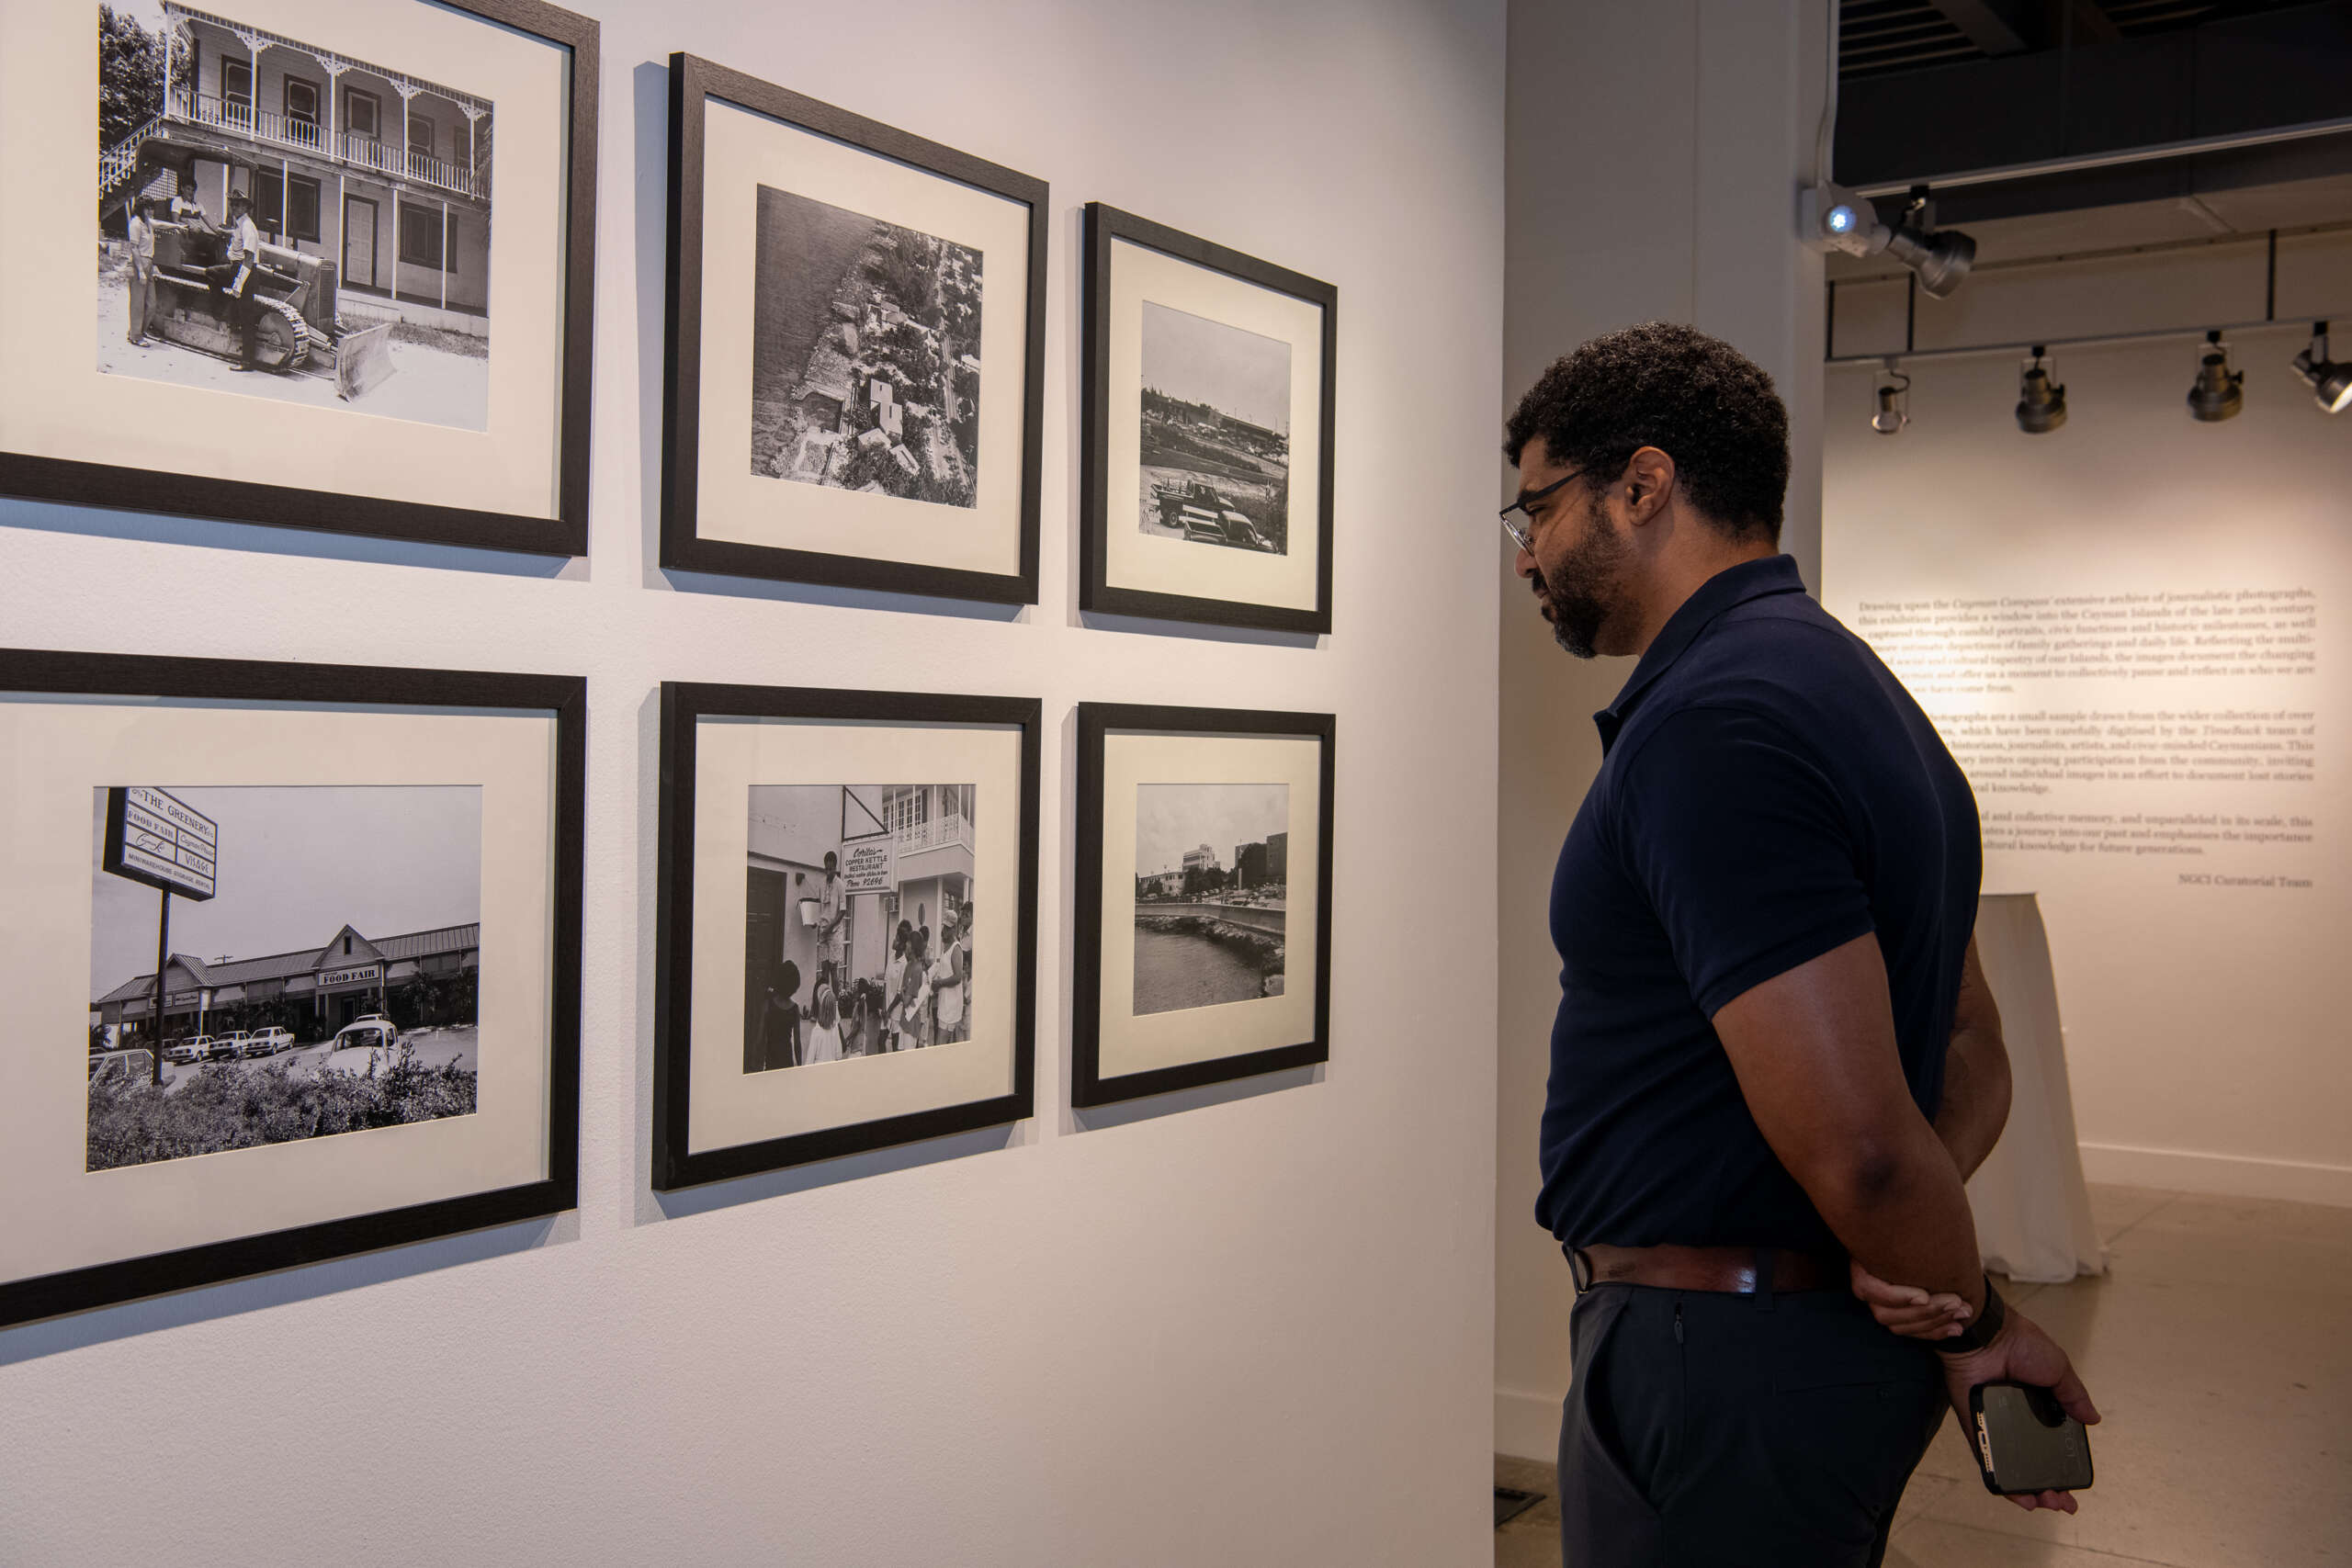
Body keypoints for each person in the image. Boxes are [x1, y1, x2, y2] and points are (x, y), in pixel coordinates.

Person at [1505, 322, 2098, 1566]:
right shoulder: (1857, 692)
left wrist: (1969, 1315)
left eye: (1538, 509)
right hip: (1787, 1339)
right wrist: (1913, 1276)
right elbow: (1972, 1044)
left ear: (1644, 485)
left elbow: (1871, 1153)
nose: (1529, 554)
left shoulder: (1717, 723)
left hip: (1719, 1361)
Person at [220, 192, 266, 371]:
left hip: (244, 273)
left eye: (237, 205)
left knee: (247, 319)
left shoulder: (247, 227)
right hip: (237, 269)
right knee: (212, 273)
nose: (234, 208)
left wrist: (238, 284)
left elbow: (249, 258)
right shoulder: (240, 225)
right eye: (232, 204)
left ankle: (247, 362)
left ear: (246, 207)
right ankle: (228, 313)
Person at [749, 959, 802, 1073]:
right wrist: (800, 1066)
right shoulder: (795, 1009)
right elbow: (797, 1043)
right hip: (787, 1060)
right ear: (794, 985)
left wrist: (753, 1060)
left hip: (771, 1059)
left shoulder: (768, 1005)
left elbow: (759, 1038)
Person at [926, 908, 967, 1045]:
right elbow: (944, 969)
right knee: (944, 1045)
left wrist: (940, 983)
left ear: (954, 928)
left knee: (940, 1044)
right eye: (944, 927)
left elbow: (957, 977)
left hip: (951, 1004)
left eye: (948, 928)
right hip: (944, 1001)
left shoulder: (956, 948)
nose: (945, 930)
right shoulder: (946, 946)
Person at [125, 199, 157, 346]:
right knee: (137, 303)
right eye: (147, 208)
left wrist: (177, 226)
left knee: (151, 304)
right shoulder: (135, 224)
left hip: (149, 263)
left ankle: (136, 331)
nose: (150, 211)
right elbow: (134, 248)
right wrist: (141, 272)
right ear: (140, 209)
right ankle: (136, 336)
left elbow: (161, 224)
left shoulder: (148, 223)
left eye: (152, 208)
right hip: (139, 264)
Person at [801, 984, 843, 1066]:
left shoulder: (816, 1031)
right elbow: (839, 1055)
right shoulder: (835, 1029)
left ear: (821, 1007)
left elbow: (809, 1061)